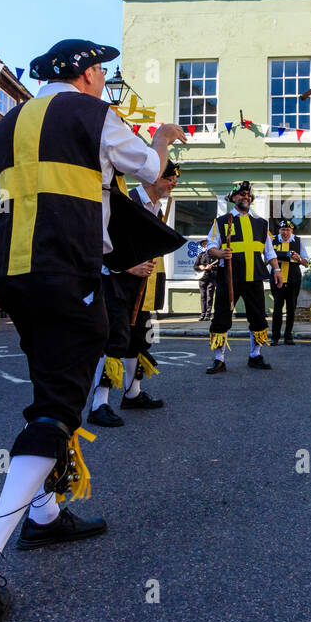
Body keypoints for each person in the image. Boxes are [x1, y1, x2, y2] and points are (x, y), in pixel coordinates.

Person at [0, 37, 184, 622]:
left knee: (49, 383)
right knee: (57, 407)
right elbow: (156, 177)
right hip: (70, 271)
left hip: (16, 277)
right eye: (101, 71)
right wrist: (160, 146)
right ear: (84, 73)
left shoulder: (1, 128)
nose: (104, 79)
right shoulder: (93, 113)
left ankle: (47, 515)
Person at [87, 160, 180, 425]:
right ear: (152, 176)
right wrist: (128, 266)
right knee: (115, 341)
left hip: (145, 287)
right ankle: (98, 404)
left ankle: (132, 394)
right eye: (169, 177)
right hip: (116, 282)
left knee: (138, 340)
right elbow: (100, 242)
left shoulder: (159, 208)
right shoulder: (123, 202)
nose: (174, 183)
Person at [206, 181, 281, 373]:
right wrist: (221, 254)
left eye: (248, 194)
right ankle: (219, 359)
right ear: (233, 199)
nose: (245, 197)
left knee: (258, 318)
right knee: (222, 317)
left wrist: (277, 270)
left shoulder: (261, 223)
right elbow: (210, 247)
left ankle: (255, 355)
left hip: (254, 277)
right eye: (241, 194)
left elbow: (269, 251)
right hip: (229, 277)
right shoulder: (222, 221)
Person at [270, 219, 307, 345]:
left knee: (291, 308)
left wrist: (299, 258)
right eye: (282, 230)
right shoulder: (272, 240)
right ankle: (275, 336)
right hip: (277, 278)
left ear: (292, 231)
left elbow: (306, 263)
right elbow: (265, 259)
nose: (285, 232)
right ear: (279, 230)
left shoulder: (298, 241)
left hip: (293, 279)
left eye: (287, 230)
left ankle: (288, 336)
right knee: (277, 308)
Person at [195, 238, 217, 320]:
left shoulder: (215, 255)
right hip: (202, 279)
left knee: (209, 296)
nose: (206, 246)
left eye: (207, 244)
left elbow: (218, 266)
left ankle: (208, 314)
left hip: (211, 278)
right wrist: (200, 267)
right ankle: (202, 314)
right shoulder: (201, 255)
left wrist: (211, 267)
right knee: (203, 296)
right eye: (204, 244)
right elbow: (195, 266)